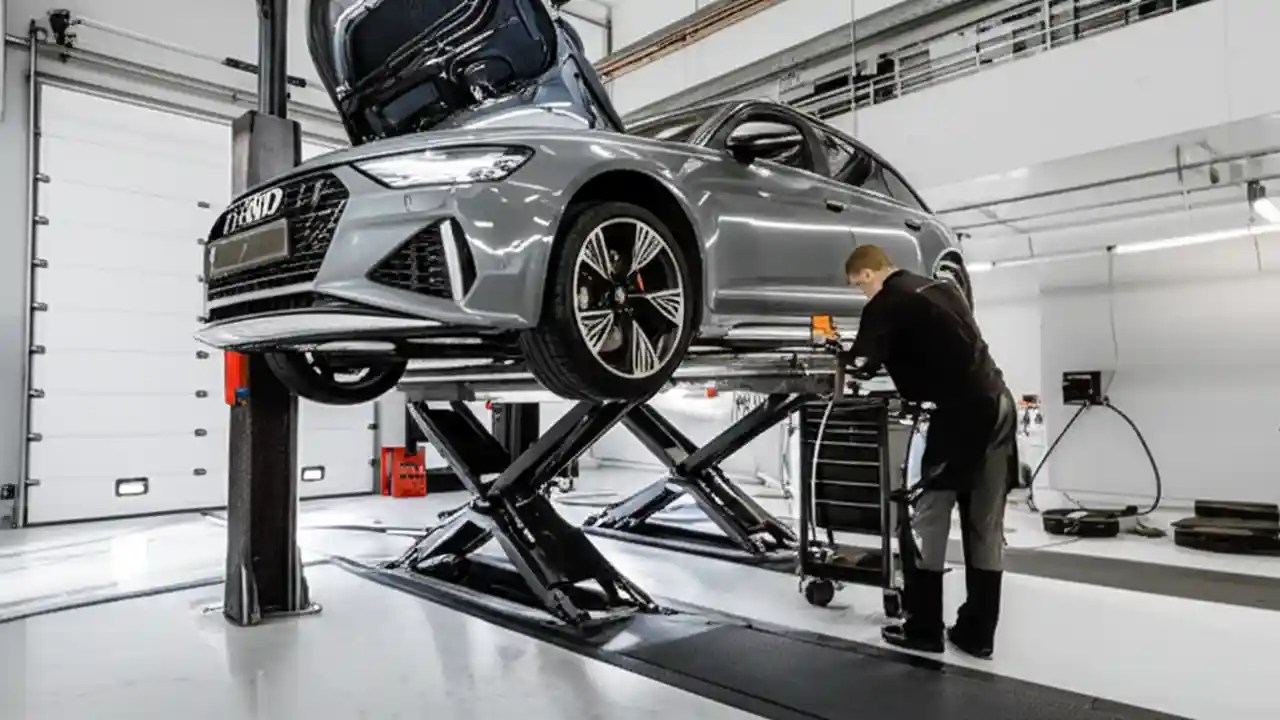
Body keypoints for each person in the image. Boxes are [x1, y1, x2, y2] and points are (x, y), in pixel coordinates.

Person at [841, 244, 1017, 659]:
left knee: (927, 519)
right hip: (999, 403)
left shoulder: (885, 302)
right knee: (985, 524)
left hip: (959, 415)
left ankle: (923, 629)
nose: (862, 293)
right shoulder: (944, 288)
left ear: (867, 274)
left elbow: (860, 365)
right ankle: (978, 634)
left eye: (858, 286)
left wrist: (839, 355)